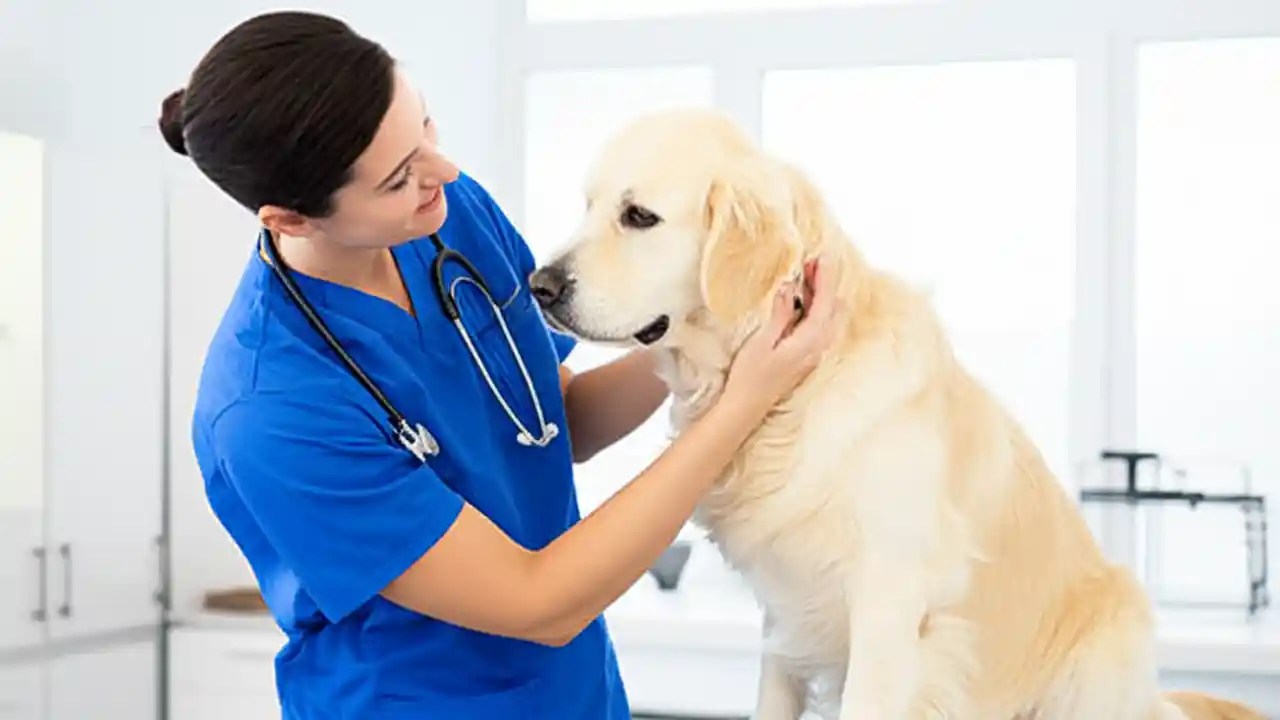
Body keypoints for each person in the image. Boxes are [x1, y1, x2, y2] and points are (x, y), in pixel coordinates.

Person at [162, 10, 840, 720]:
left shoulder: (448, 215)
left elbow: (553, 420)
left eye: (424, 126)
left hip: (577, 697)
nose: (441, 171)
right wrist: (741, 406)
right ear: (291, 219)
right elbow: (536, 600)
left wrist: (704, 326)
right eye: (397, 176)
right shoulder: (272, 409)